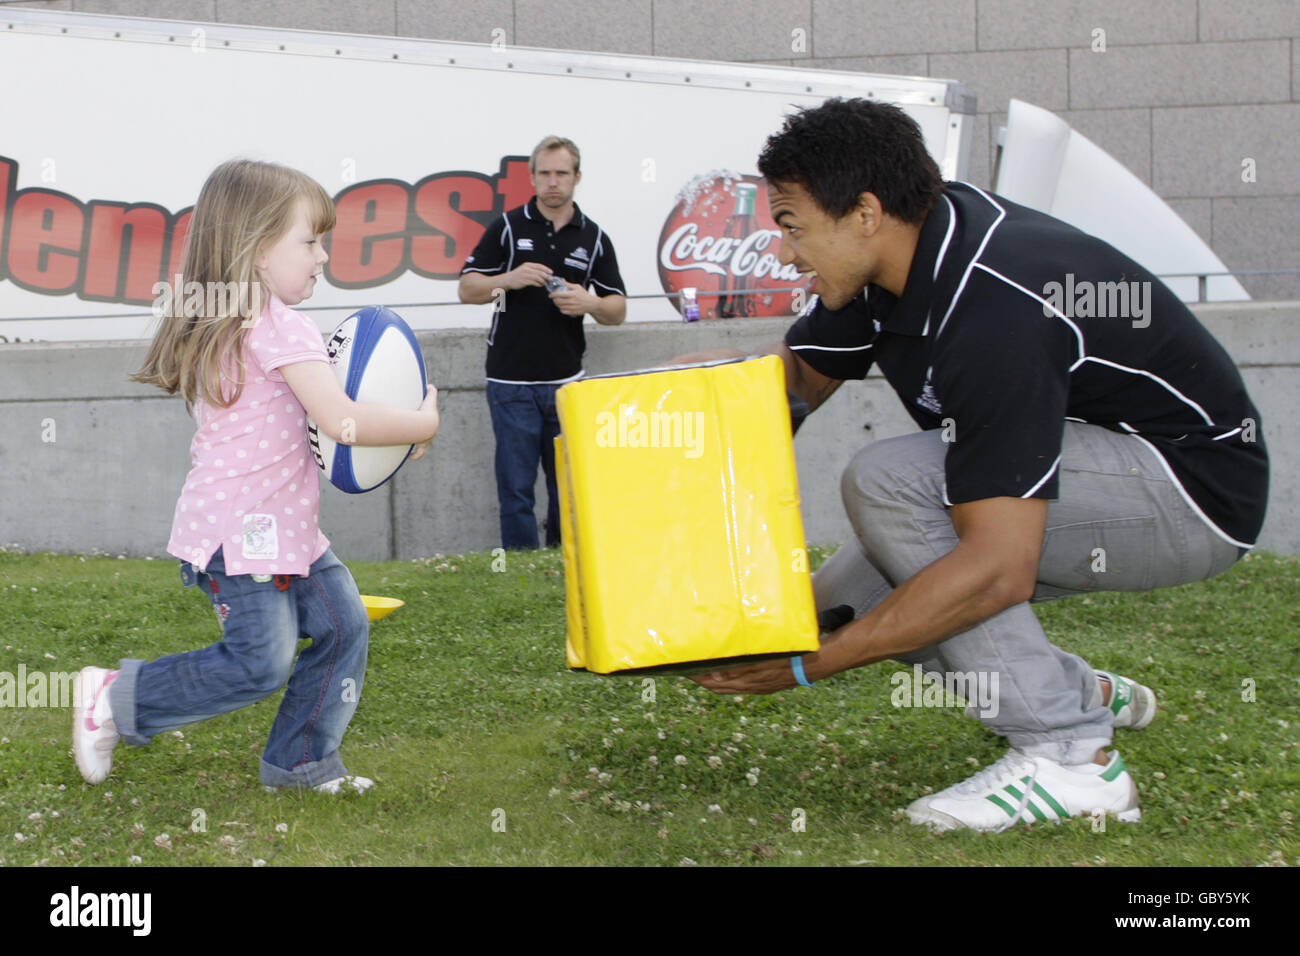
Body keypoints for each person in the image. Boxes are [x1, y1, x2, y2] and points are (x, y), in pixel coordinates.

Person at [687, 98, 1269, 832]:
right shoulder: (890, 256)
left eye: (793, 225)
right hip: (1094, 472)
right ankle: (1073, 691)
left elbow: (999, 568)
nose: (783, 250)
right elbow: (796, 385)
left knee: (893, 490)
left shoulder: (995, 302)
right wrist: (677, 408)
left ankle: (1070, 758)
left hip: (1192, 494)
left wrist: (812, 669)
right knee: (832, 611)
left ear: (864, 212)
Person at [72, 159, 440, 792]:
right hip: (247, 534)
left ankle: (301, 764)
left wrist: (388, 443)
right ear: (258, 246)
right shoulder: (279, 326)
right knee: (259, 661)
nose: (323, 256)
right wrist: (420, 423)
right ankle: (118, 698)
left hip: (282, 530)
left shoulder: (234, 321)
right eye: (310, 240)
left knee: (343, 623)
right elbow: (339, 417)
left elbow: (312, 425)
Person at [459, 136, 627, 549]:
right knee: (515, 489)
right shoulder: (508, 227)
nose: (553, 182)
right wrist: (507, 280)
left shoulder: (595, 237)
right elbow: (467, 289)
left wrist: (588, 302)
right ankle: (521, 569)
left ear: (577, 177)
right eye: (545, 173)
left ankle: (560, 561)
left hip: (568, 381)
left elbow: (617, 310)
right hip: (510, 382)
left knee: (566, 486)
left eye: (562, 173)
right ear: (533, 177)